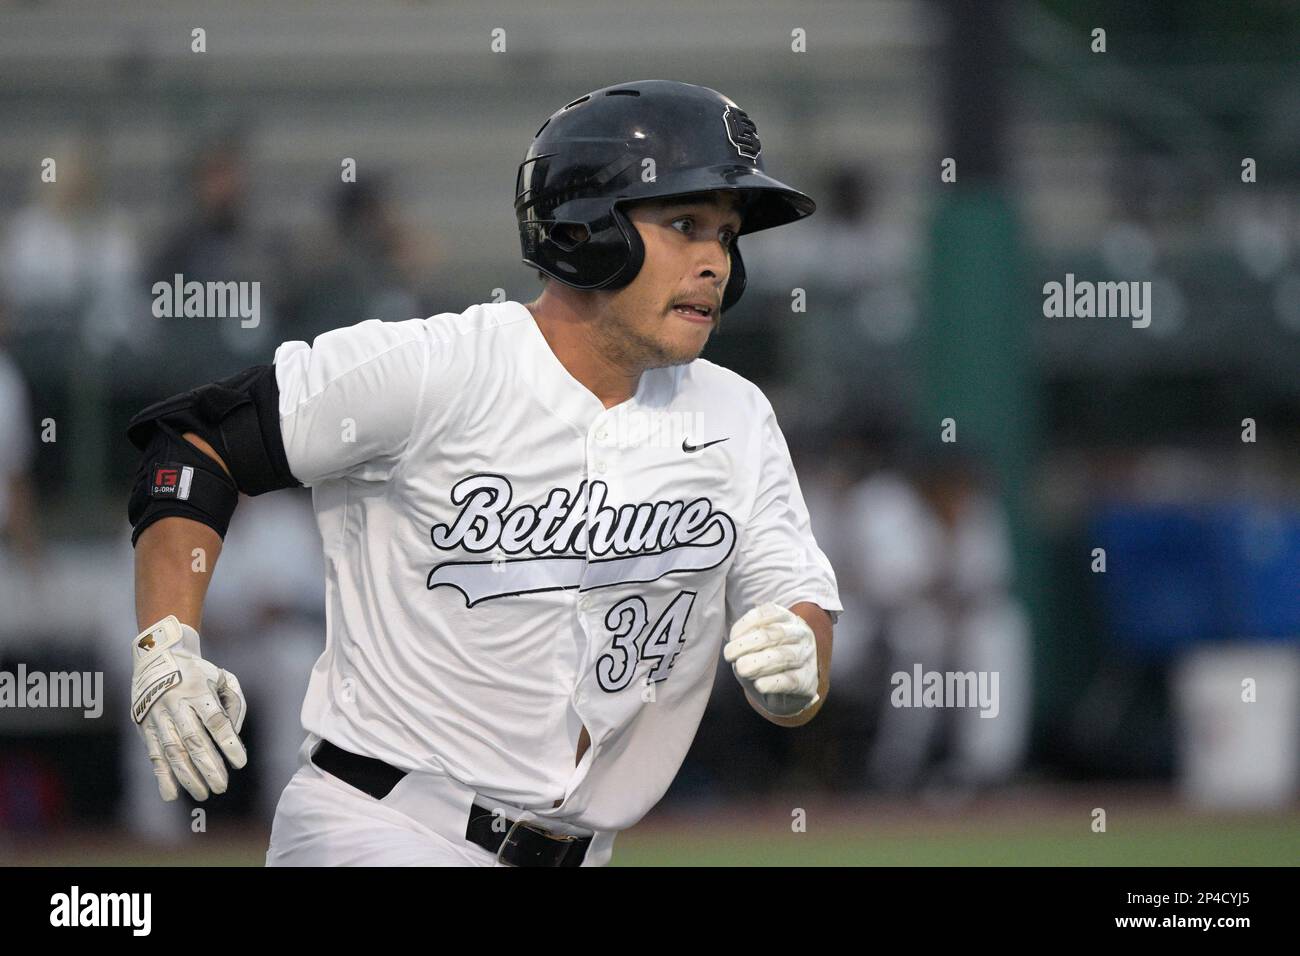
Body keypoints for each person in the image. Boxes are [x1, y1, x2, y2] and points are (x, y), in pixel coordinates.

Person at [124, 79, 842, 867]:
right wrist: (167, 644)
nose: (716, 262)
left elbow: (797, 607)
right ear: (587, 229)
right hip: (383, 827)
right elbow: (195, 444)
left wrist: (797, 668)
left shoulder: (736, 416)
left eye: (727, 236)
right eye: (685, 225)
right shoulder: (438, 368)